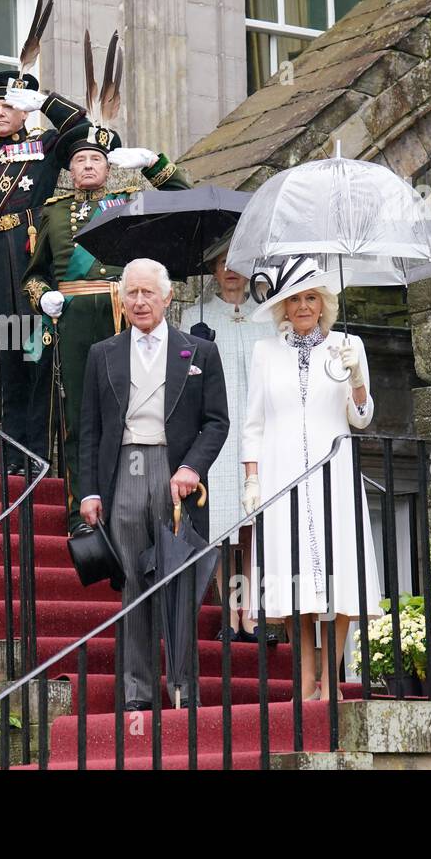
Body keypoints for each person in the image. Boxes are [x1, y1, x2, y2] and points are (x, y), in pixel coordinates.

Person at [21, 121, 190, 537]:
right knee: (80, 415)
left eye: (96, 158)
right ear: (70, 170)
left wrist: (153, 162)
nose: (88, 166)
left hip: (125, 315)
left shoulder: (130, 202)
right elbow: (33, 276)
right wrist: (43, 297)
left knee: (133, 411)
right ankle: (83, 509)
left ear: (109, 167)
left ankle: (128, 504)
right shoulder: (54, 212)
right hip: (75, 320)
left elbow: (185, 200)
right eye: (80, 160)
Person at [78, 258, 229, 710]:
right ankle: (137, 695)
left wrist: (192, 469)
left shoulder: (198, 352)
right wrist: (88, 491)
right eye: (132, 293)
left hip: (174, 475)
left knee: (178, 583)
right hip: (123, 472)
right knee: (131, 584)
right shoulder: (101, 352)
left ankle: (182, 690)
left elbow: (217, 422)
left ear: (168, 297)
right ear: (121, 300)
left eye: (148, 293)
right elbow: (88, 429)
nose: (140, 301)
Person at [239, 255, 383, 701]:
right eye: (294, 299)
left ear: (323, 304)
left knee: (340, 571)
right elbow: (253, 423)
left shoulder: (347, 346)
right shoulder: (265, 353)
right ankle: (304, 678)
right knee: (290, 573)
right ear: (283, 306)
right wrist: (251, 478)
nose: (303, 306)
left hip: (332, 470)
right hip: (282, 472)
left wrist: (357, 377)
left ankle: (332, 678)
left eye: (311, 298)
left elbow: (360, 418)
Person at [0, 71, 86, 477]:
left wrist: (43, 100)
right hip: (0, 269)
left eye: (7, 107)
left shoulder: (45, 147)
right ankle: (13, 456)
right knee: (11, 363)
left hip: (37, 269)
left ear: (23, 113)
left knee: (39, 362)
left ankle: (37, 454)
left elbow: (80, 125)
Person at [177, 236, 277, 643]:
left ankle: (250, 612)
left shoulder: (269, 317)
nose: (230, 270)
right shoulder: (193, 317)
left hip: (259, 431)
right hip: (215, 432)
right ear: (213, 270)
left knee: (253, 523)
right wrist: (194, 347)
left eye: (237, 261)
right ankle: (227, 612)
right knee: (221, 527)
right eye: (221, 262)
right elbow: (182, 380)